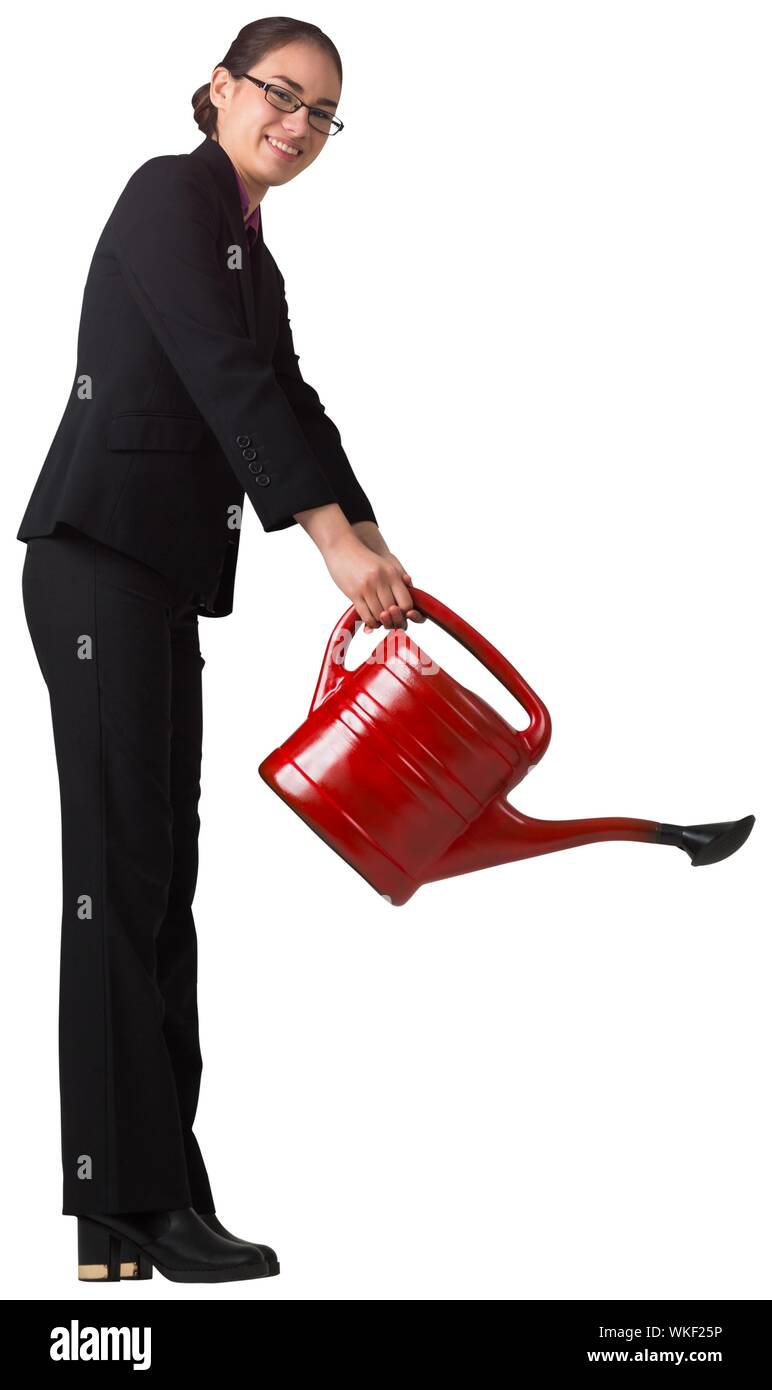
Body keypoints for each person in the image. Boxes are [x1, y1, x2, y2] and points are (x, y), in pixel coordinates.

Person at [17, 16, 424, 1285]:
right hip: (96, 562)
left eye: (321, 113)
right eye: (279, 93)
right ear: (218, 86)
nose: (296, 124)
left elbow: (288, 394)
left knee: (157, 888)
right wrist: (323, 543)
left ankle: (133, 1214)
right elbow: (218, 377)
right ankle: (128, 1195)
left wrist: (370, 541)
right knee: (116, 883)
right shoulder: (165, 196)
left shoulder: (255, 255)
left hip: (156, 581)